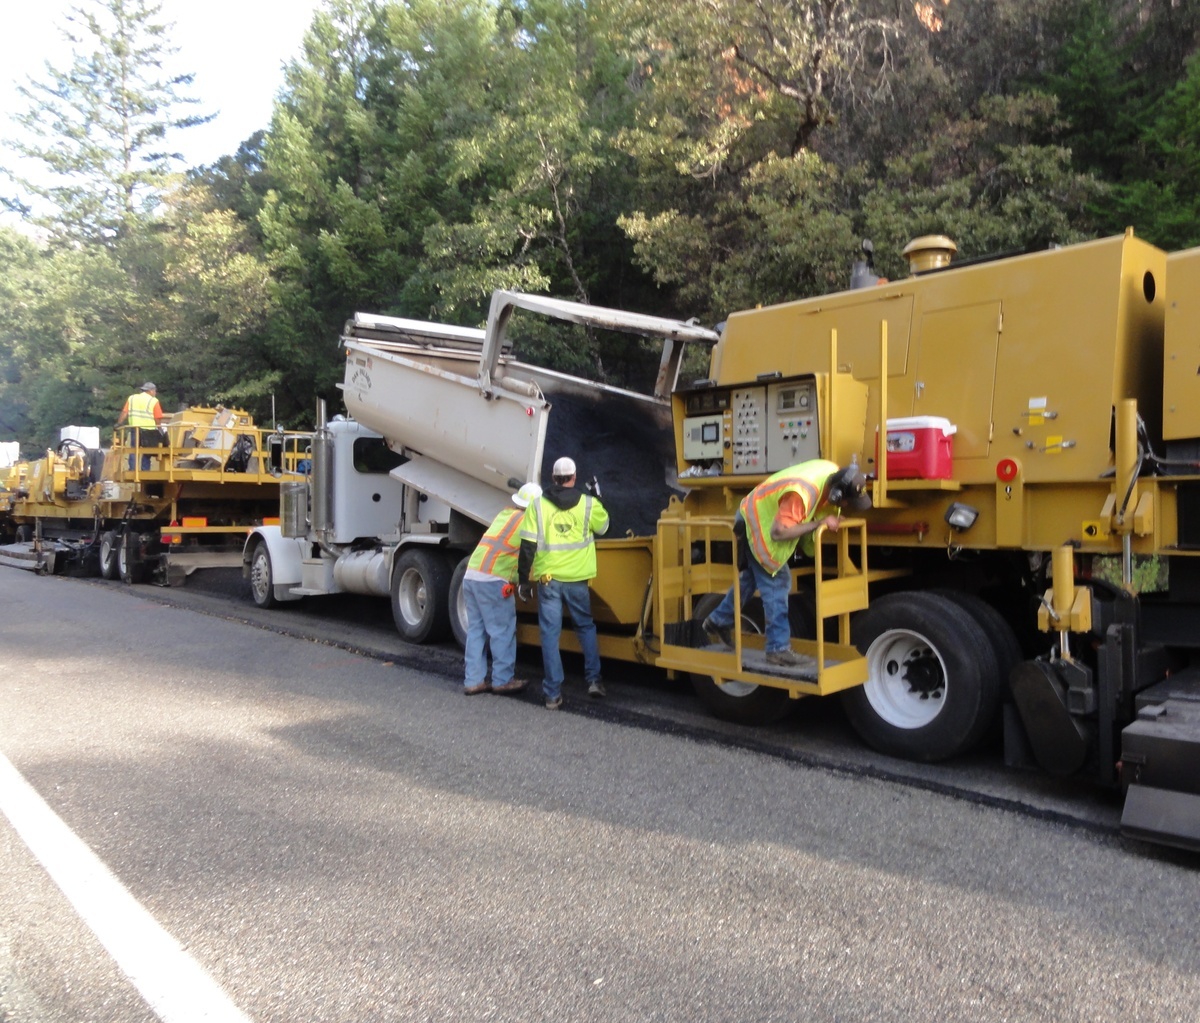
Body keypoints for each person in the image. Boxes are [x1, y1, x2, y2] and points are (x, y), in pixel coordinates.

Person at [703, 459, 871, 667]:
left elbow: (817, 511)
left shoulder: (832, 475)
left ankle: (717, 621)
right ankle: (777, 650)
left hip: (758, 511)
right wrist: (818, 524)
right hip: (757, 521)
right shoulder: (801, 494)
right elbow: (778, 532)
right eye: (847, 502)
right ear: (836, 493)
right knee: (778, 580)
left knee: (749, 581)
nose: (848, 507)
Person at [518, 456, 610, 709]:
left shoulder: (536, 506)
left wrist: (523, 581)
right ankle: (593, 680)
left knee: (549, 634)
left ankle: (552, 694)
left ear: (553, 478)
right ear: (574, 477)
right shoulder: (588, 504)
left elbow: (527, 547)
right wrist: (599, 499)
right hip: (577, 580)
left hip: (549, 581)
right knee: (585, 627)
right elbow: (604, 528)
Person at [462, 482, 542, 696]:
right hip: (493, 581)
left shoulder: (505, 515)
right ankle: (503, 680)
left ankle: (473, 681)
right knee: (502, 631)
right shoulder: (528, 522)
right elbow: (526, 555)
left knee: (477, 631)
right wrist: (523, 581)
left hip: (471, 575)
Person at [116, 382, 164, 470]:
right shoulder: (153, 401)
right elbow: (157, 417)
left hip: (135, 428)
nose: (155, 393)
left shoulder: (132, 398)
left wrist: (118, 424)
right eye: (155, 391)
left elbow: (124, 412)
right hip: (149, 430)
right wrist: (159, 427)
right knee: (147, 451)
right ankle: (145, 470)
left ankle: (132, 469)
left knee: (134, 449)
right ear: (151, 391)